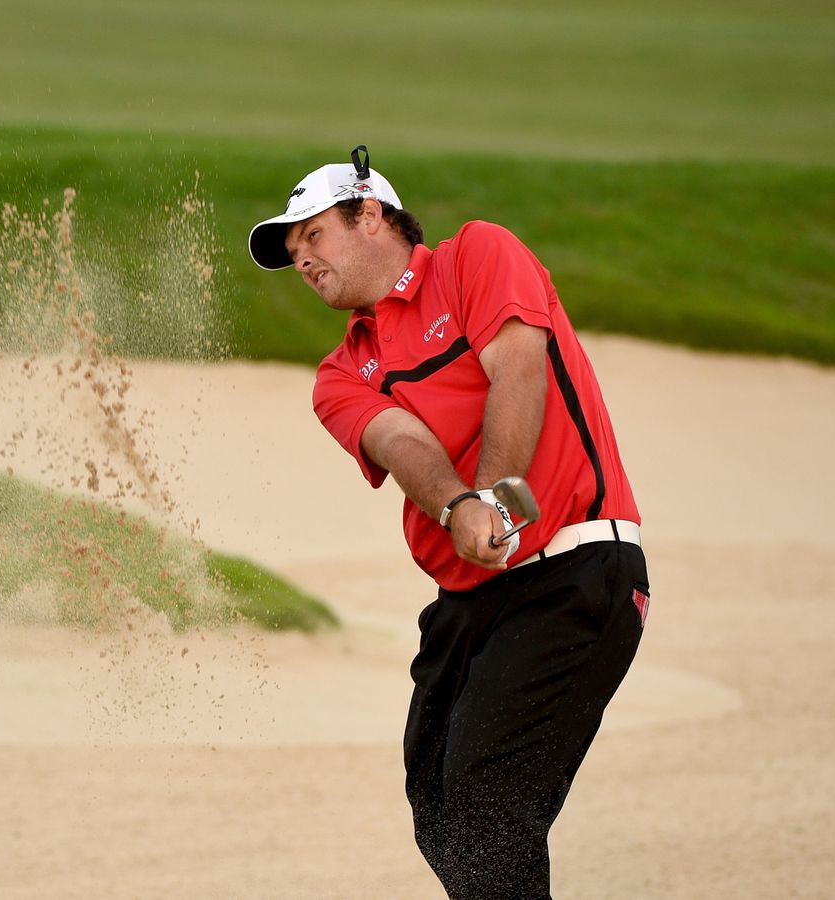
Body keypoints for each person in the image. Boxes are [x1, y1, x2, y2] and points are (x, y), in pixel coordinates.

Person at [247, 147, 649, 899]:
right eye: (294, 251)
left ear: (370, 214)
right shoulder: (341, 376)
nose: (303, 260)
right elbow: (402, 443)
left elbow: (519, 367)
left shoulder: (475, 256)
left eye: (314, 236)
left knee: (484, 801)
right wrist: (459, 505)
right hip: (467, 604)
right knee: (439, 809)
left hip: (574, 573)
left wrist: (495, 499)